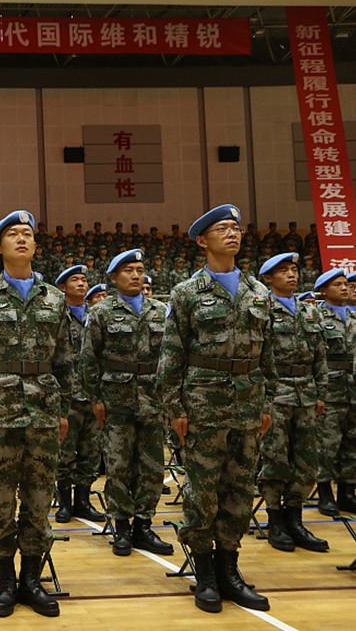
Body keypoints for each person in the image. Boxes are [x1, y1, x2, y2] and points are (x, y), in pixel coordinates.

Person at [158, 204, 274, 613]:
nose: (232, 234)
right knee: (202, 492)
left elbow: (268, 354)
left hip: (247, 402)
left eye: (236, 228)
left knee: (240, 490)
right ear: (202, 241)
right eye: (223, 229)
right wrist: (174, 407)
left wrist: (267, 401)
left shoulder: (259, 292)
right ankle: (204, 573)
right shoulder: (186, 293)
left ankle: (230, 570)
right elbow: (172, 355)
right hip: (202, 404)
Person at [0, 210, 71, 618]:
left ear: (35, 246)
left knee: (40, 501)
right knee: (0, 500)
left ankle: (31, 580)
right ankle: (6, 581)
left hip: (43, 412)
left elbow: (64, 361)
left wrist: (63, 410)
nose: (22, 240)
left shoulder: (54, 299)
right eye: (13, 235)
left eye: (28, 234)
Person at [79, 250, 174, 557]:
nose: (136, 275)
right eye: (128, 270)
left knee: (151, 467)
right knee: (119, 465)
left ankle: (144, 525)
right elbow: (88, 359)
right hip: (115, 399)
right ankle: (121, 527)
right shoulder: (102, 312)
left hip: (153, 399)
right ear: (113, 278)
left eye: (139, 269)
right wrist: (95, 398)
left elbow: (172, 358)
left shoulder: (160, 310)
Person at [255, 254, 329, 552]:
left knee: (307, 461)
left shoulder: (311, 312)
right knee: (275, 459)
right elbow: (257, 357)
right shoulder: (262, 311)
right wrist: (262, 398)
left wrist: (320, 393)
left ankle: (295, 519)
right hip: (276, 393)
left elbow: (320, 357)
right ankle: (275, 521)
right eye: (283, 271)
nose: (291, 275)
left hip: (306, 392)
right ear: (268, 279)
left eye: (294, 270)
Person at [52, 265, 104, 524]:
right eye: (75, 280)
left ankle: (83, 501)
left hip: (93, 394)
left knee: (90, 451)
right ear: (63, 287)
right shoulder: (56, 316)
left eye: (84, 279)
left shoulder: (97, 316)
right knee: (65, 451)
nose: (82, 284)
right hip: (66, 396)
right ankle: (64, 503)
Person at [313, 267, 356, 516]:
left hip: (353, 391)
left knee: (352, 443)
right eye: (337, 284)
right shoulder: (316, 317)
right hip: (330, 391)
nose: (344, 287)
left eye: (345, 284)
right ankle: (325, 493)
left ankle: (347, 493)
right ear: (323, 290)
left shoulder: (353, 317)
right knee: (327, 445)